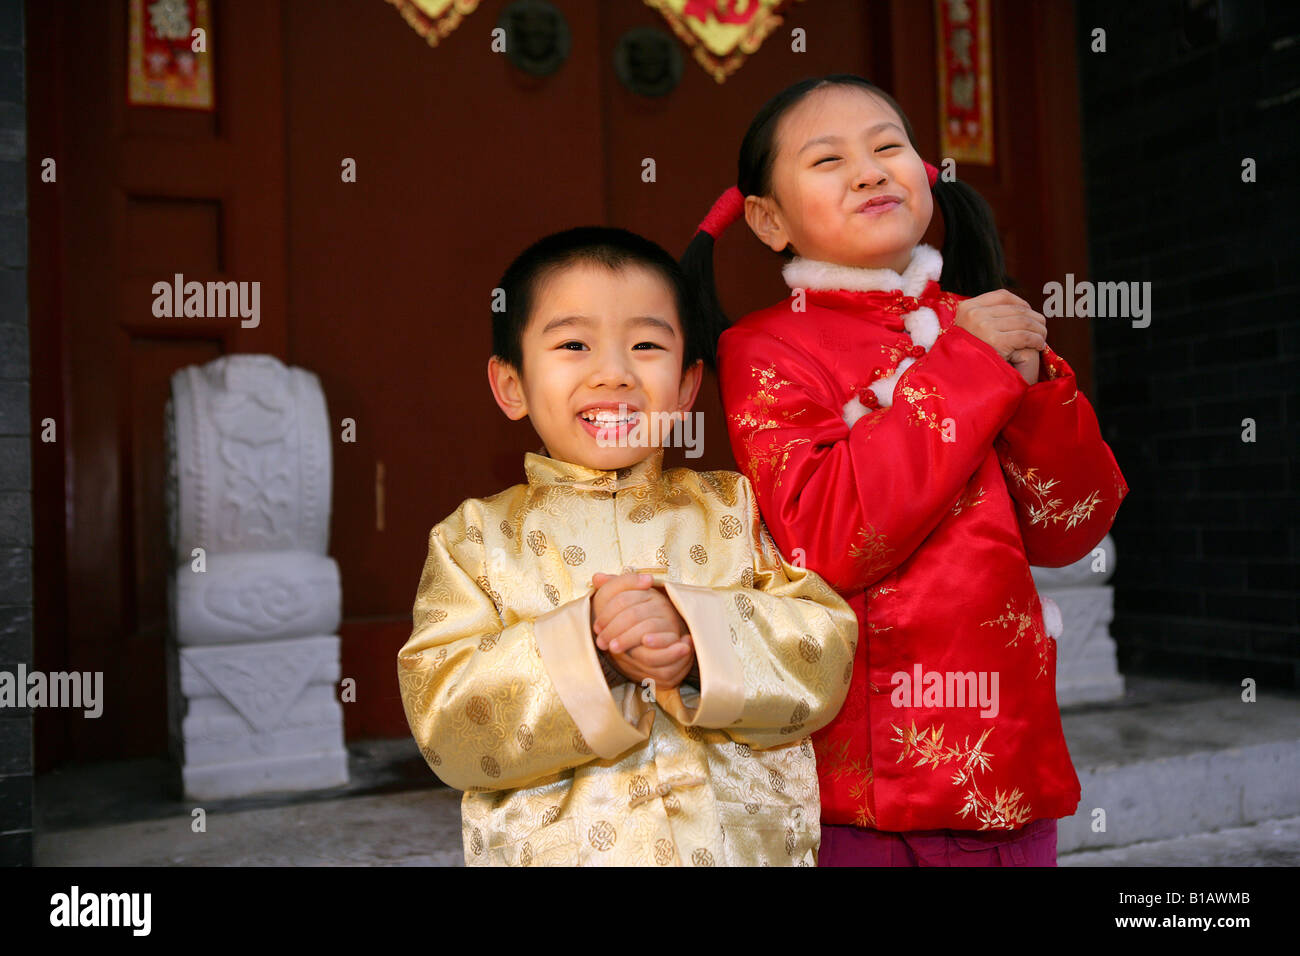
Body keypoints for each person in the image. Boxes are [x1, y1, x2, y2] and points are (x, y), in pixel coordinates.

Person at [680, 74, 1128, 866]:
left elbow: (1068, 530)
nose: (870, 170)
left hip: (1009, 750)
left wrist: (1033, 385)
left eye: (890, 146)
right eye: (828, 160)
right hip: (872, 785)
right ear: (767, 219)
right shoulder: (767, 347)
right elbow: (831, 535)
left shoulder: (980, 321)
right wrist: (967, 366)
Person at [397, 226, 856, 866]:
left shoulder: (736, 507)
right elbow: (446, 724)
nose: (612, 373)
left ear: (688, 386)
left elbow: (824, 652)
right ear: (511, 386)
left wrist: (697, 637)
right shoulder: (473, 540)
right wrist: (594, 651)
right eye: (573, 344)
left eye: (645, 344)